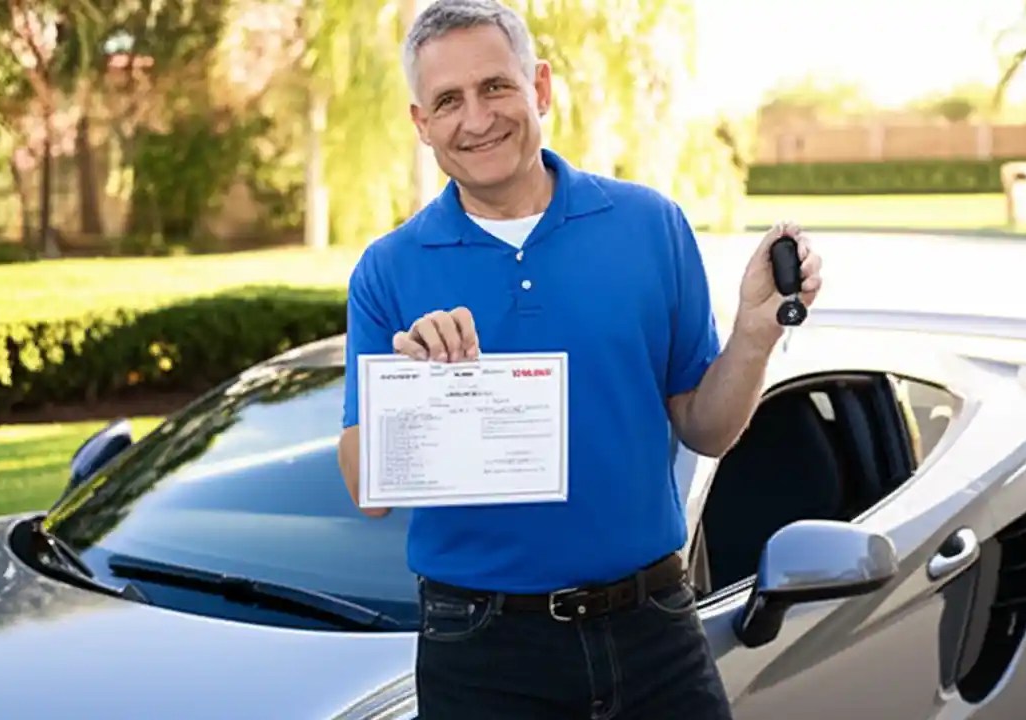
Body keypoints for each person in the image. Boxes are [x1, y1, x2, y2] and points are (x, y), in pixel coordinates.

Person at [336, 0, 823, 717]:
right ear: (422, 124)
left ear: (540, 87)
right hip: (480, 649)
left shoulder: (650, 225)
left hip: (652, 625)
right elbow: (366, 492)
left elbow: (708, 430)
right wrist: (410, 388)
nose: (476, 119)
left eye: (495, 87)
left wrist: (755, 334)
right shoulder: (387, 270)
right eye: (448, 100)